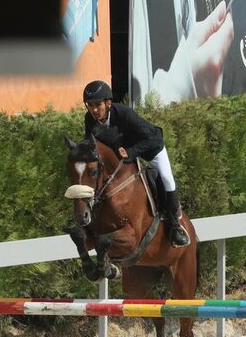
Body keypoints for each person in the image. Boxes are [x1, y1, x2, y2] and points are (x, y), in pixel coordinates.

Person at [81, 80, 190, 247]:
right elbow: (92, 145)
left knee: (167, 178)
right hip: (122, 154)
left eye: (97, 105)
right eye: (90, 105)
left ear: (108, 102)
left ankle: (175, 225)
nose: (94, 110)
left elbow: (153, 137)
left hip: (149, 147)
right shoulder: (89, 119)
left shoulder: (124, 114)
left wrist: (131, 152)